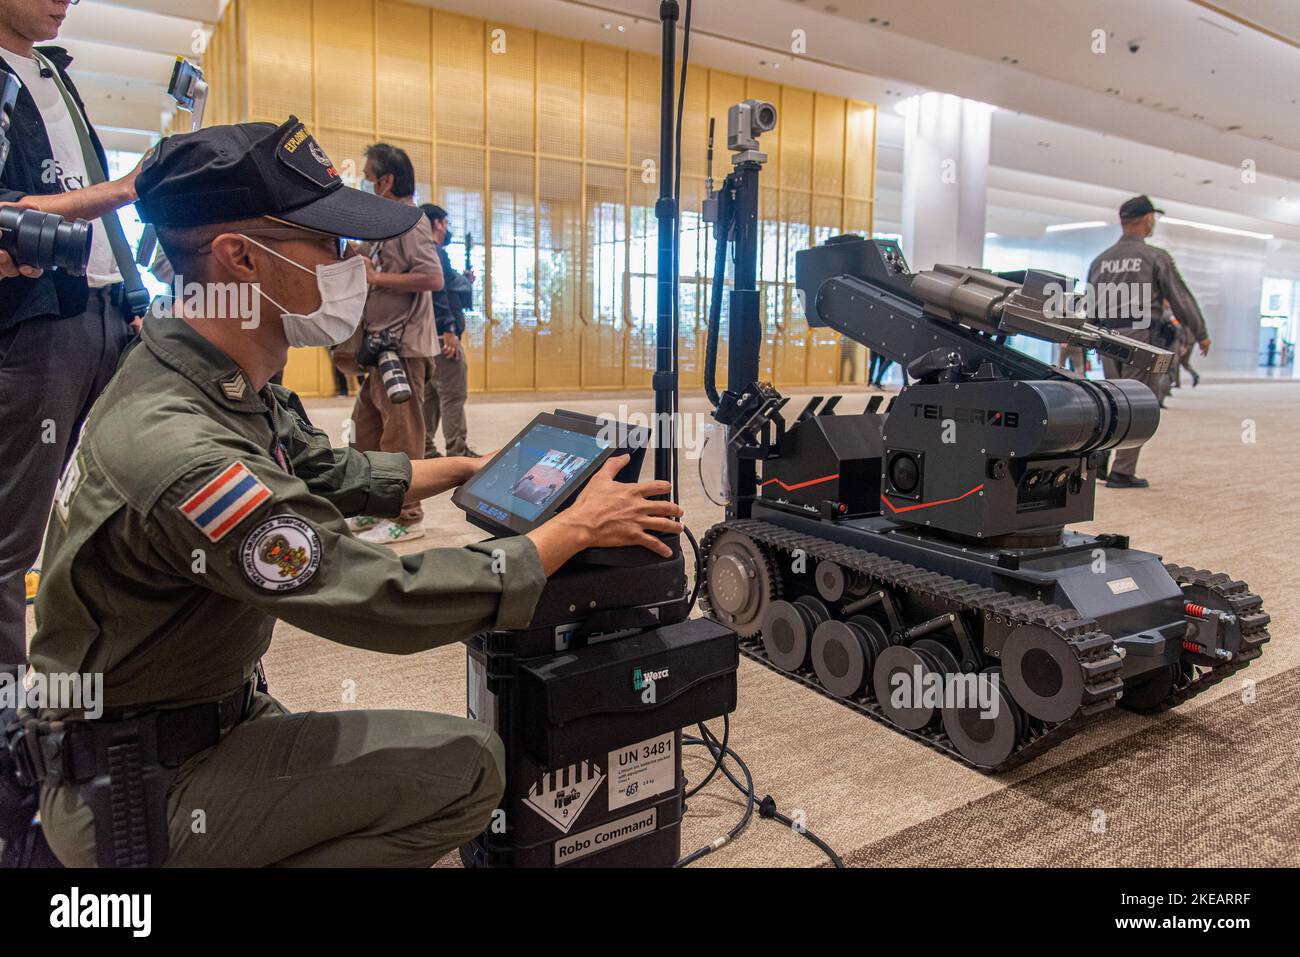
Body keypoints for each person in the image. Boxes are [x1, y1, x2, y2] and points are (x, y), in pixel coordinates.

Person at [13, 118, 682, 868]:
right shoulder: (183, 450)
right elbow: (371, 593)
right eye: (329, 244)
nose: (354, 264)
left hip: (194, 717)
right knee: (466, 766)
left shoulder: (206, 372)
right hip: (138, 791)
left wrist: (464, 468)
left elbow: (327, 472)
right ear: (242, 260)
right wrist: (569, 533)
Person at [0, 0, 147, 684]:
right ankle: (9, 732)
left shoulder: (55, 75)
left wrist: (137, 299)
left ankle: (112, 678)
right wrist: (123, 189)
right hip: (37, 322)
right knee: (13, 538)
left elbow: (90, 194)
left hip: (108, 313)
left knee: (118, 506)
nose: (65, 1)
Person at [343, 143, 443, 545]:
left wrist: (377, 279)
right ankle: (376, 507)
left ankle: (408, 515)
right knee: (365, 430)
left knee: (401, 438)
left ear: (386, 181)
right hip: (380, 350)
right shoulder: (387, 225)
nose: (366, 185)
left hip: (403, 351)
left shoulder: (411, 222)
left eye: (368, 178)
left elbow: (432, 277)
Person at [1087, 195, 1210, 488]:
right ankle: (1122, 471)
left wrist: (1089, 339)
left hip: (1105, 338)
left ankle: (1102, 456)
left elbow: (1090, 306)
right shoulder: (1155, 256)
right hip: (1139, 338)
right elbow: (1180, 298)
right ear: (1147, 219)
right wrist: (1200, 332)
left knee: (1111, 400)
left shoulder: (1100, 260)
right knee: (1140, 403)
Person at [419, 202, 477, 458]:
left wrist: (465, 280)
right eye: (445, 222)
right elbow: (439, 294)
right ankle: (458, 449)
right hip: (444, 337)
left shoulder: (423, 252)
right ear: (436, 223)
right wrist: (449, 329)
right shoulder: (436, 252)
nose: (447, 228)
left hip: (427, 338)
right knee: (453, 394)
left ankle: (426, 447)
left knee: (431, 394)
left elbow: (449, 289)